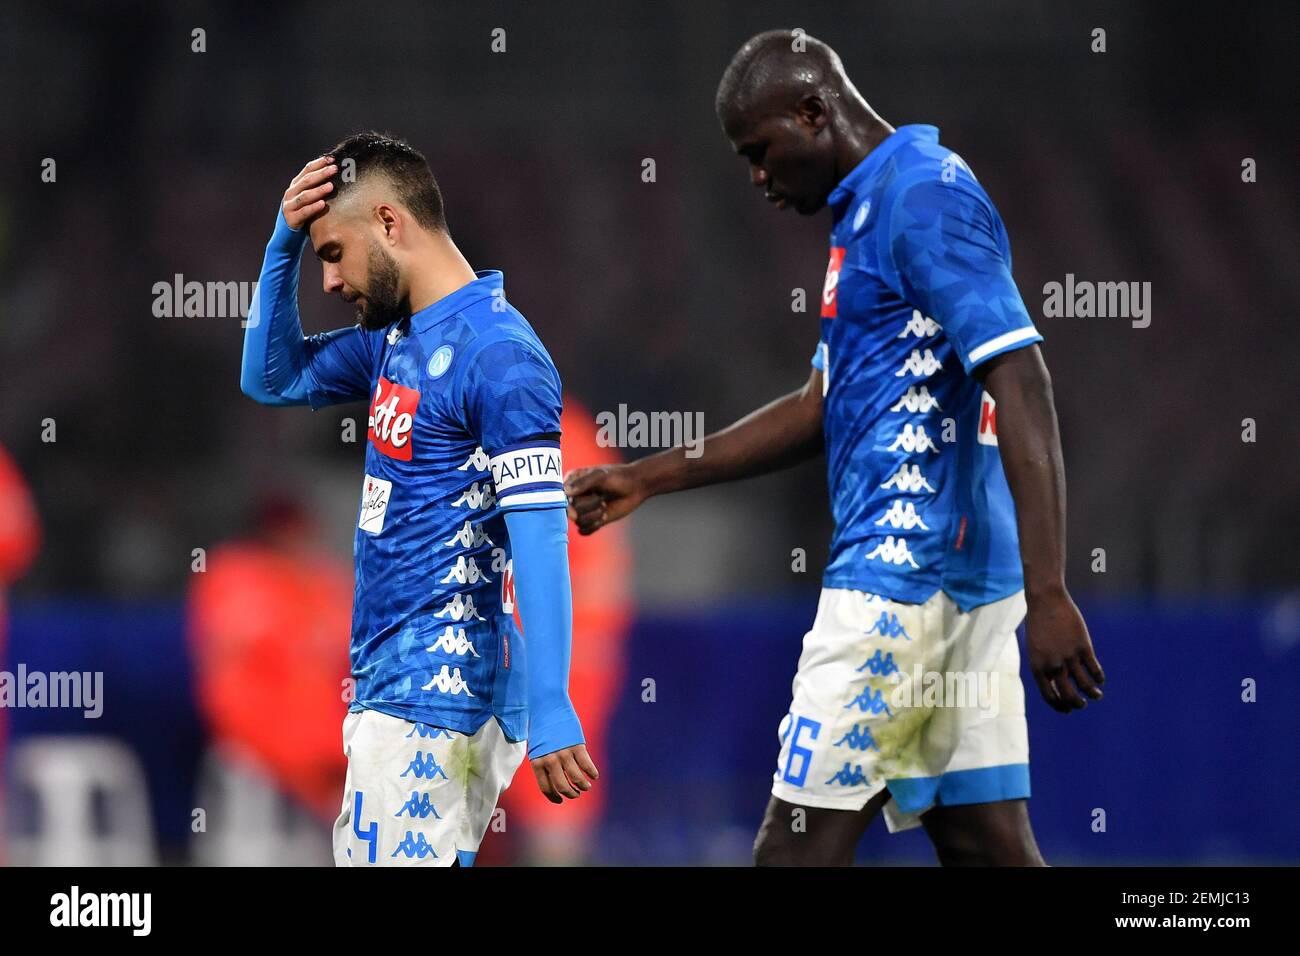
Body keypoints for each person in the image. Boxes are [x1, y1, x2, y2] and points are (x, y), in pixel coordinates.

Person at [565, 30, 1104, 866]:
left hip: (902, 582)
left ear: (813, 111)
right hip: (946, 587)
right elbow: (822, 406)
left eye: (760, 151)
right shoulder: (870, 209)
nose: (756, 177)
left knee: (791, 853)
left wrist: (1052, 589)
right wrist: (651, 475)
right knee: (986, 844)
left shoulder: (923, 198)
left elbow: (1021, 375)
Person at [241, 132, 595, 867]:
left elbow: (540, 533)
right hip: (400, 687)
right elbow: (271, 378)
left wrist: (556, 703)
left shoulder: (498, 357)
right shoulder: (393, 340)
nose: (330, 282)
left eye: (332, 252)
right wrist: (282, 246)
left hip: (435, 693)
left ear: (390, 223)